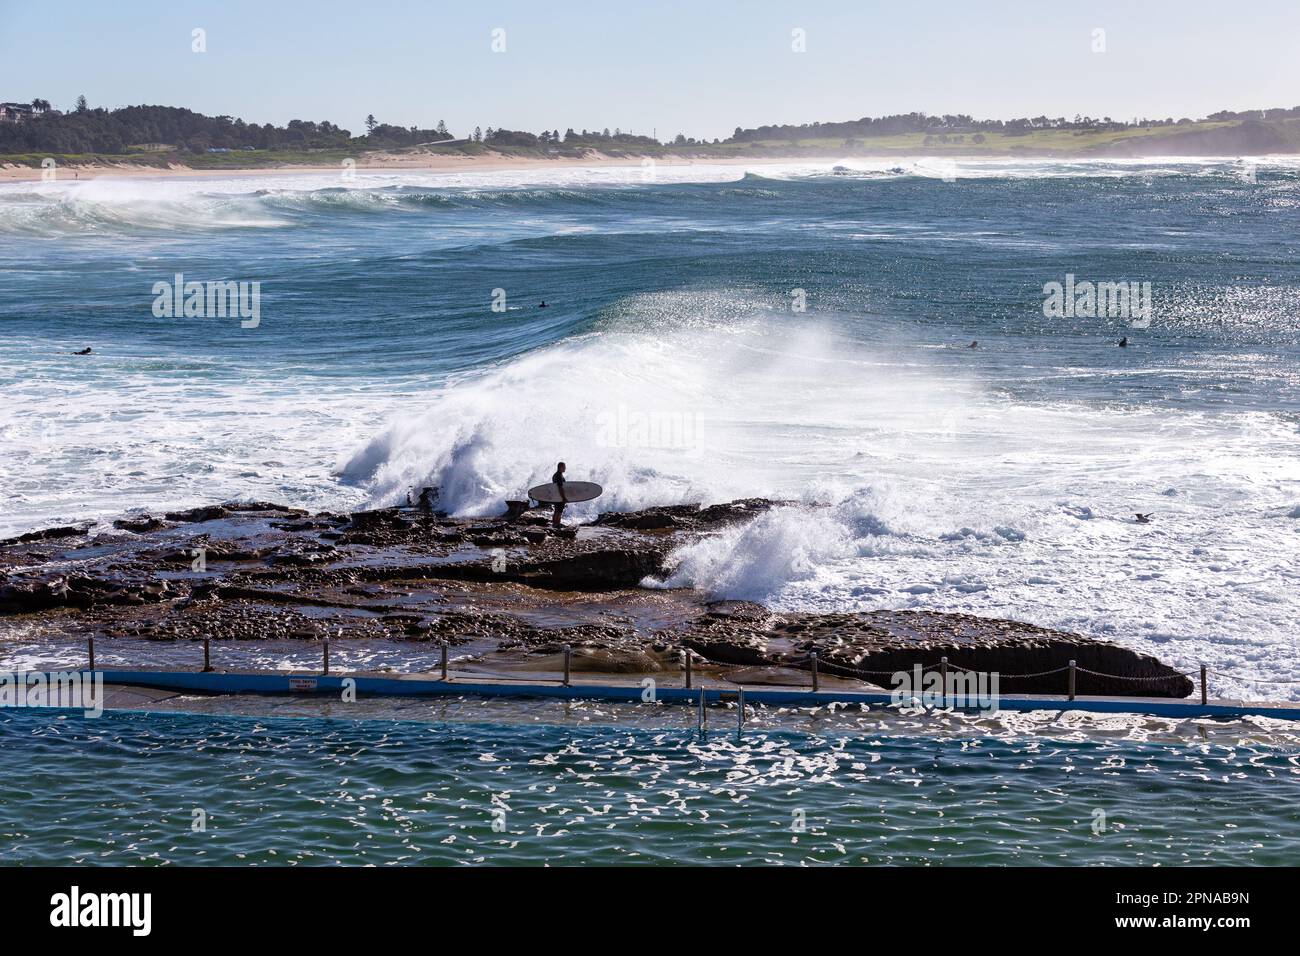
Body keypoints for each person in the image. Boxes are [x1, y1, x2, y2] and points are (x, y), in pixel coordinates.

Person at [551, 461, 567, 528]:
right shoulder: (559, 476)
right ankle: (557, 524)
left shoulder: (555, 475)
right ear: (560, 467)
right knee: (559, 511)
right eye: (564, 467)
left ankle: (554, 524)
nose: (565, 468)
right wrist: (563, 497)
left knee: (556, 510)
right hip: (559, 496)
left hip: (556, 496)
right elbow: (560, 487)